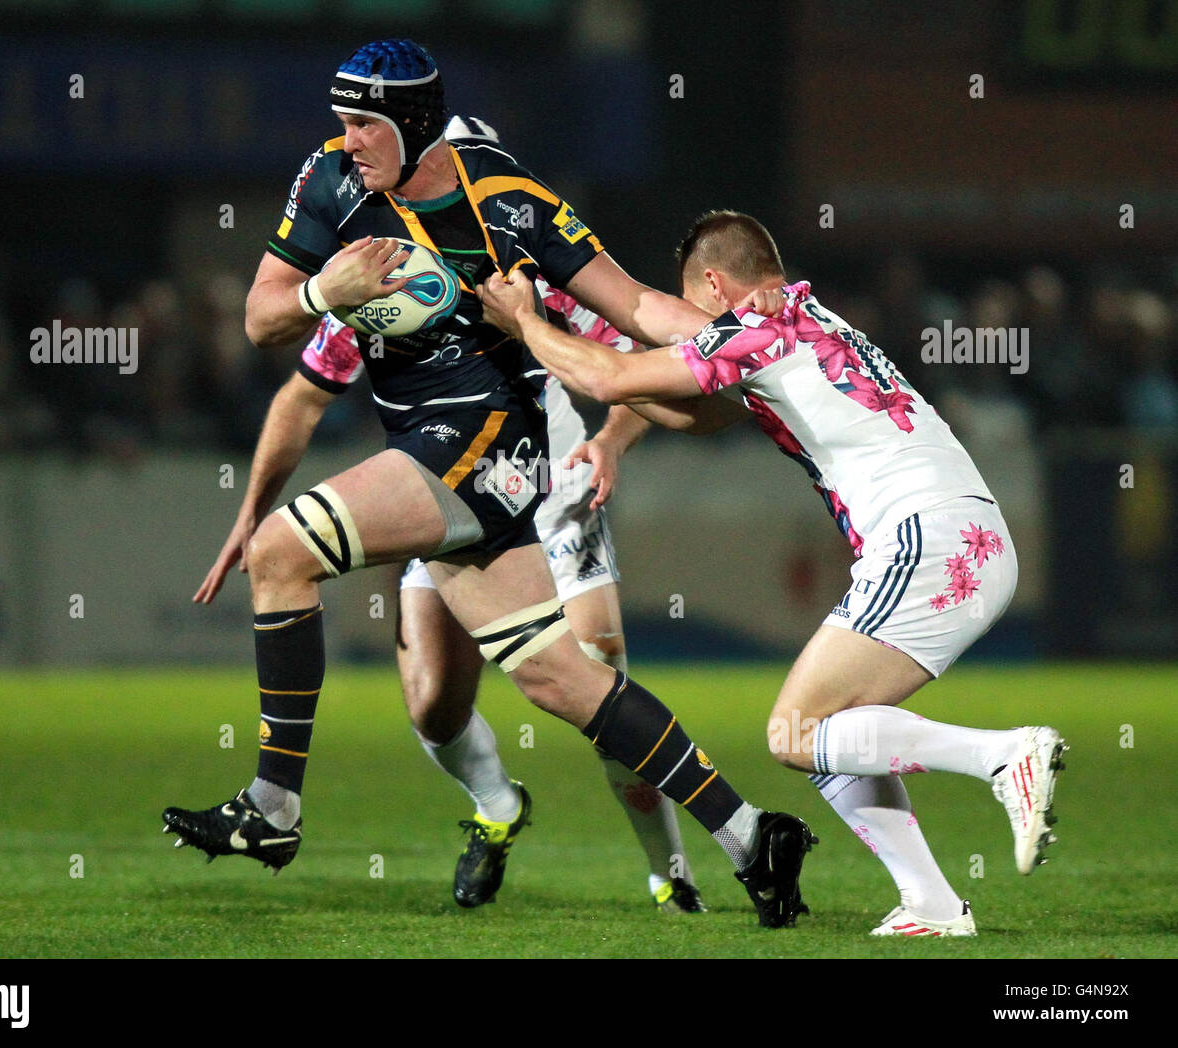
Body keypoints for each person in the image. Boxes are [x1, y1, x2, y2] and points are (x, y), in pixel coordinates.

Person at [163, 41, 816, 928]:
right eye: (344, 121)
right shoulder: (327, 181)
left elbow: (632, 306)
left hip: (487, 439)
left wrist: (735, 336)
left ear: (419, 124)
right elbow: (261, 317)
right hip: (436, 454)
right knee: (560, 680)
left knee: (284, 551)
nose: (347, 140)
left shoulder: (506, 202)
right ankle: (750, 836)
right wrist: (326, 288)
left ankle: (274, 808)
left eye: (366, 124)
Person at [478, 209, 1067, 937]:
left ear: (716, 285)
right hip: (964, 535)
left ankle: (1003, 757)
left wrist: (526, 324)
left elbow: (606, 376)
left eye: (694, 304)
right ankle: (933, 904)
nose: (694, 324)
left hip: (927, 540)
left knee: (794, 730)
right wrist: (617, 433)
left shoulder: (750, 330)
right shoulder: (802, 314)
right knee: (833, 728)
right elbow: (704, 415)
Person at [195, 279, 717, 913]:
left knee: (600, 682)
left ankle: (671, 873)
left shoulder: (537, 277)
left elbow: (637, 372)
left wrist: (607, 441)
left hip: (556, 503)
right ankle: (499, 804)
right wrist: (251, 513)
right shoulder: (391, 288)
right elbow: (303, 398)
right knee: (434, 705)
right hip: (451, 497)